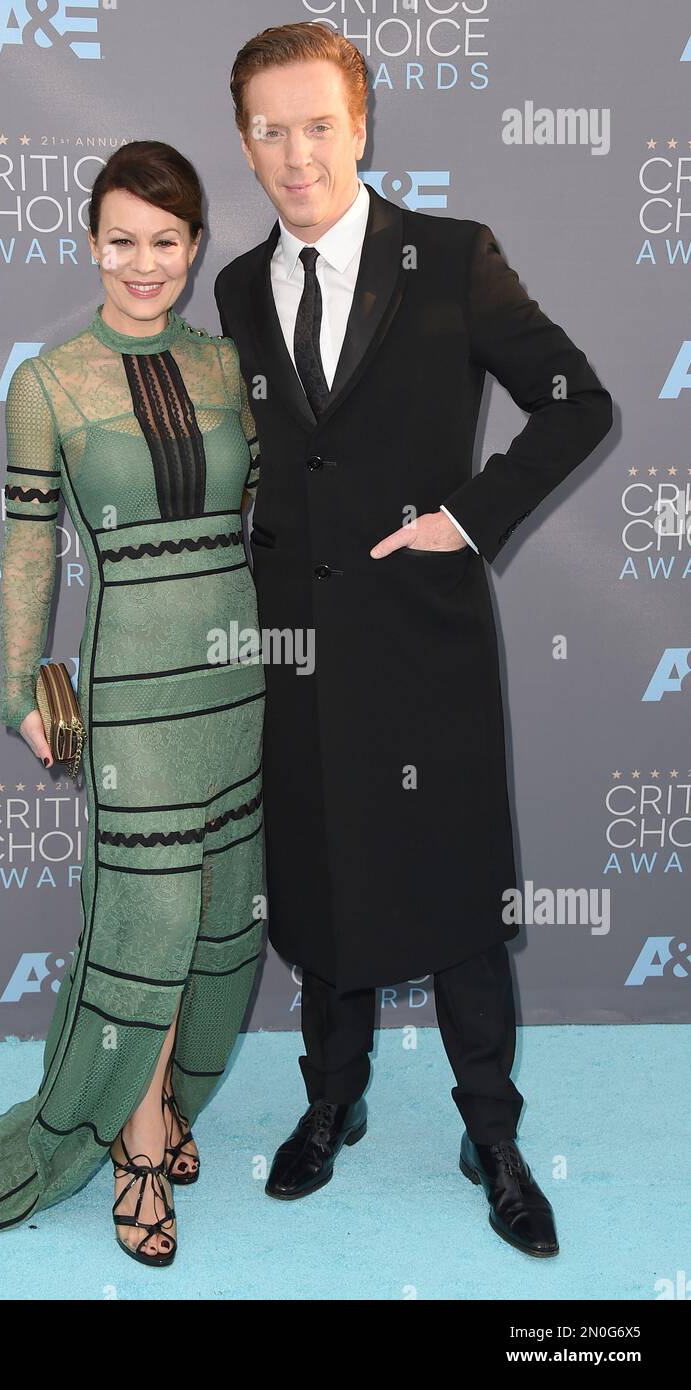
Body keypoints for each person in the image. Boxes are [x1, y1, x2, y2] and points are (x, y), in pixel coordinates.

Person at [214, 23, 613, 1256]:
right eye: (268, 129)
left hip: (423, 641)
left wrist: (468, 518)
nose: (295, 154)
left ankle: (489, 1131)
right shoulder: (234, 287)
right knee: (323, 882)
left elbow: (575, 400)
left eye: (317, 124)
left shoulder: (448, 257)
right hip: (297, 646)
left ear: (363, 122)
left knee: (453, 898)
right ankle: (329, 1103)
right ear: (244, 139)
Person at [0, 141, 265, 1266]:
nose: (145, 262)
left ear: (196, 244)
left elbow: (268, 519)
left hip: (235, 683)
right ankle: (137, 1138)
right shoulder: (48, 382)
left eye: (167, 240)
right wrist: (19, 686)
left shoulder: (226, 365)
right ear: (90, 243)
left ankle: (170, 1100)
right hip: (132, 698)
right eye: (123, 240)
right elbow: (30, 551)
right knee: (146, 928)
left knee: (221, 922)